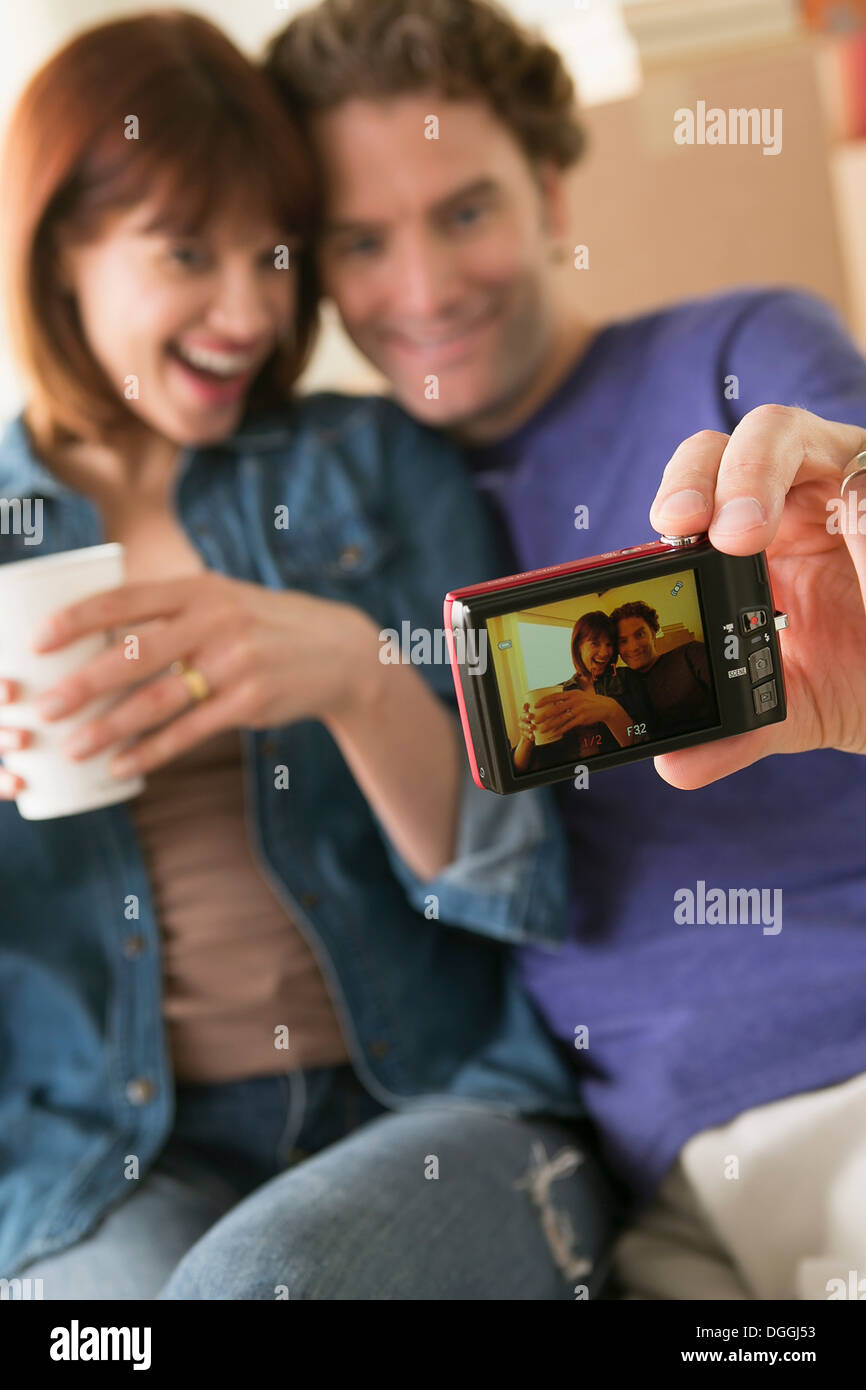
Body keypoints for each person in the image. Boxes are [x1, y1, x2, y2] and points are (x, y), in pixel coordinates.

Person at [0, 12, 623, 1301]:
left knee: (262, 1286)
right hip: (108, 1161)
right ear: (61, 244)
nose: (250, 309)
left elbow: (526, 880)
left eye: (272, 254)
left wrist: (351, 673)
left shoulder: (372, 466)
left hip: (429, 1107)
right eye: (188, 254)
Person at [268, 0, 866, 1299]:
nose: (422, 289)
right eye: (361, 242)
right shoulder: (336, 510)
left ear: (547, 186)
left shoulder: (738, 356)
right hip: (645, 1178)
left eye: (466, 210)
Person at [513, 610, 648, 772]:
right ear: (578, 647)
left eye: (609, 644)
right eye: (595, 643)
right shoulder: (558, 694)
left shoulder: (627, 678)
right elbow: (518, 770)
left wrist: (612, 712)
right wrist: (526, 739)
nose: (605, 653)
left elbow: (647, 739)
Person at [609, 600, 715, 739]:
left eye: (640, 635)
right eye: (623, 641)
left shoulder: (690, 654)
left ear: (653, 633)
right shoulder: (620, 685)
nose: (633, 647)